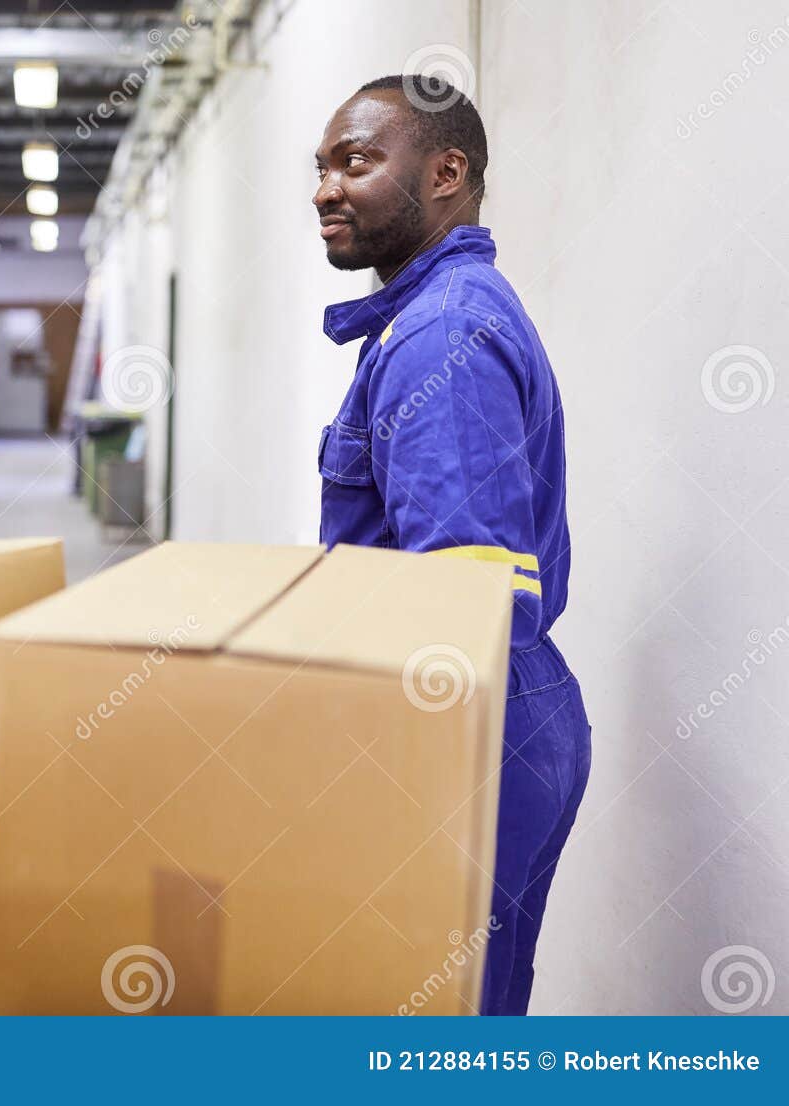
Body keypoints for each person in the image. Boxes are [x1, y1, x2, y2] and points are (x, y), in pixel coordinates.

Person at [311, 74, 590, 1015]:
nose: (324, 189)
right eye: (320, 168)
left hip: (472, 731)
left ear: (446, 172)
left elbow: (464, 610)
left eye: (355, 160)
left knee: (443, 1026)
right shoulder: (425, 319)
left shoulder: (441, 338)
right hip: (492, 716)